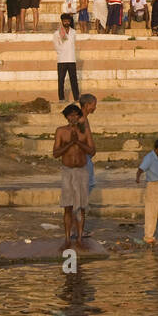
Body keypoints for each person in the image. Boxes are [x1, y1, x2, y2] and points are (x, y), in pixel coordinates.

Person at [53, 103, 95, 250]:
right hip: (67, 171)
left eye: (76, 115)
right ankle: (67, 239)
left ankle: (79, 238)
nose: (73, 118)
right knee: (68, 207)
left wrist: (78, 141)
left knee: (81, 207)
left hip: (82, 171)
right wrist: (70, 143)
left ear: (79, 116)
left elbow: (92, 151)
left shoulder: (85, 132)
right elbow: (56, 153)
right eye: (70, 115)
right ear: (66, 117)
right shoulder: (60, 131)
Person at [53, 13, 79, 102]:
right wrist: (61, 52)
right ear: (62, 22)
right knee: (61, 80)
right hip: (61, 60)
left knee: (74, 80)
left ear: (70, 21)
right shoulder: (57, 33)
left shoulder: (73, 32)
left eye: (68, 21)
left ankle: (76, 98)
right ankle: (61, 98)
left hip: (72, 59)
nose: (66, 22)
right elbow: (56, 46)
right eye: (64, 21)